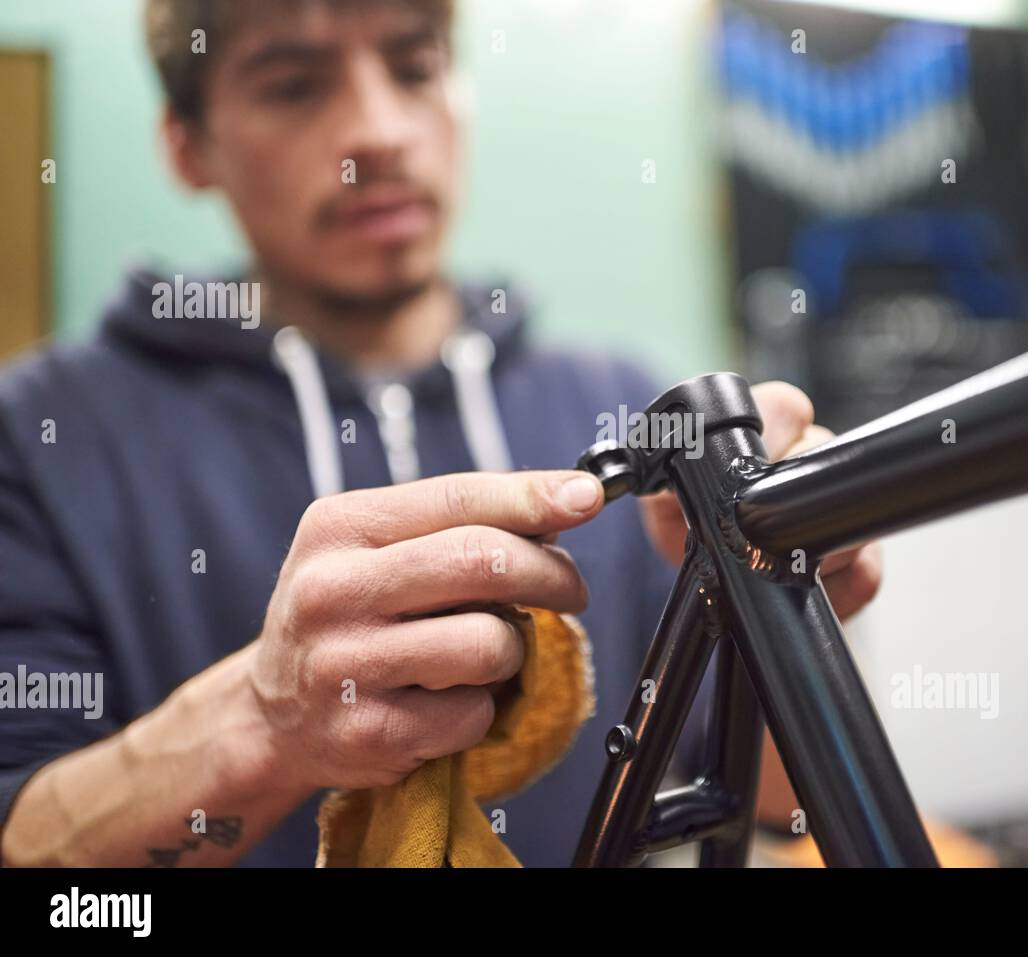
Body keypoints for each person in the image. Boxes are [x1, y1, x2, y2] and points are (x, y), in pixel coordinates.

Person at [0, 0, 882, 867]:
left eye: (414, 66)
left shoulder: (620, 404)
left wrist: (789, 621)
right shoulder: (41, 437)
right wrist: (265, 723)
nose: (378, 132)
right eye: (294, 85)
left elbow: (773, 799)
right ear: (188, 146)